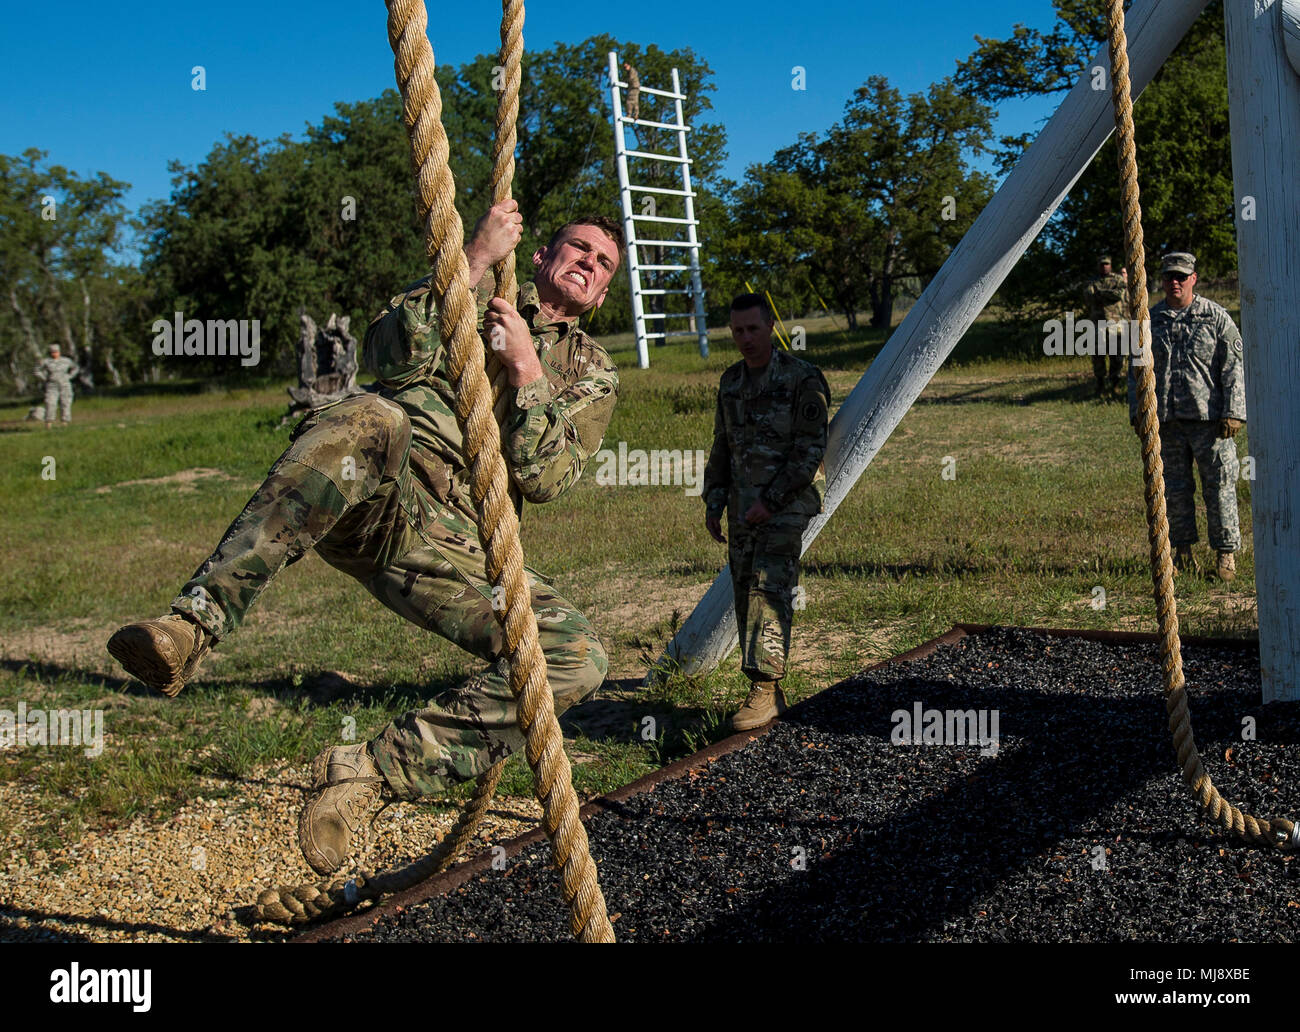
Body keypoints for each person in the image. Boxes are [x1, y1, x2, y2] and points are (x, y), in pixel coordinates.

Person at [107, 201, 625, 874]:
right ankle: (193, 626)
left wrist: (525, 367)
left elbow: (547, 477)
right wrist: (470, 261)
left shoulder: (591, 370)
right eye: (579, 248)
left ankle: (366, 776)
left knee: (578, 657)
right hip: (379, 492)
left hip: (457, 545)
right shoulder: (469, 290)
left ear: (605, 291)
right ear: (540, 256)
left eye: (603, 263)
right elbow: (386, 354)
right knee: (376, 414)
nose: (588, 263)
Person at [702, 294, 830, 731]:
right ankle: (764, 685)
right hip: (742, 505)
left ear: (770, 326)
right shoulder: (731, 381)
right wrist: (713, 500)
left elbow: (810, 450)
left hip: (788, 502)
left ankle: (765, 687)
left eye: (753, 329)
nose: (745, 339)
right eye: (737, 331)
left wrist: (769, 502)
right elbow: (723, 443)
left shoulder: (801, 378)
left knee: (767, 586)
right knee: (742, 588)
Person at [1128, 251, 1246, 581]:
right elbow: (1134, 370)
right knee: (1173, 491)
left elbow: (1235, 367)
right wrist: (1137, 412)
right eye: (1169, 277)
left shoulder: (1215, 317)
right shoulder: (1149, 321)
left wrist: (1234, 411)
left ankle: (1225, 555)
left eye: (1182, 276)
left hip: (1211, 421)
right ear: (1161, 281)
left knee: (1219, 486)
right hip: (1166, 421)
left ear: (1194, 278)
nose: (1175, 282)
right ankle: (1181, 553)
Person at [1082, 254, 1128, 398]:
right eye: (1102, 264)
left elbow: (1119, 294)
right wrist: (1108, 294)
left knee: (1117, 357)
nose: (1104, 266)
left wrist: (1100, 293)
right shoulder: (1092, 281)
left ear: (1111, 265)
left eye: (1107, 264)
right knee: (1098, 356)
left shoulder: (1118, 279)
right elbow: (1088, 296)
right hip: (1098, 324)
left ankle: (1114, 385)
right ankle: (1100, 385)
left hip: (1115, 323)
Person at [35, 344, 80, 428]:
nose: (54, 354)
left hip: (65, 384)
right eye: (52, 352)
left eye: (56, 352)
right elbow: (37, 370)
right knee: (50, 403)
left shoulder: (66, 361)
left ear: (59, 352)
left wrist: (69, 376)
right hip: (52, 385)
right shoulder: (46, 362)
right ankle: (49, 422)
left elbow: (75, 368)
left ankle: (65, 422)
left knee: (65, 403)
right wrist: (45, 378)